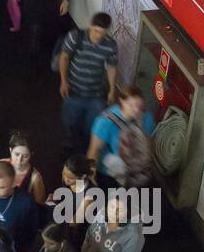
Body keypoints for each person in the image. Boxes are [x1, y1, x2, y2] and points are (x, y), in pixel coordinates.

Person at [58, 12, 118, 153]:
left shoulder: (110, 45)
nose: (98, 35)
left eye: (103, 33)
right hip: (73, 91)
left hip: (96, 94)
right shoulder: (76, 37)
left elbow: (111, 67)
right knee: (70, 124)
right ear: (91, 26)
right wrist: (63, 81)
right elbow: (64, 57)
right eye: (96, 31)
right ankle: (69, 149)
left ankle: (86, 153)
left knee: (93, 127)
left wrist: (112, 91)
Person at [86, 84, 156, 189]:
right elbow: (94, 150)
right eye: (131, 105)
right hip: (110, 174)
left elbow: (149, 143)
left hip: (136, 172)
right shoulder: (105, 122)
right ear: (122, 101)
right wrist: (91, 176)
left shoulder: (147, 118)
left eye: (139, 106)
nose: (136, 110)